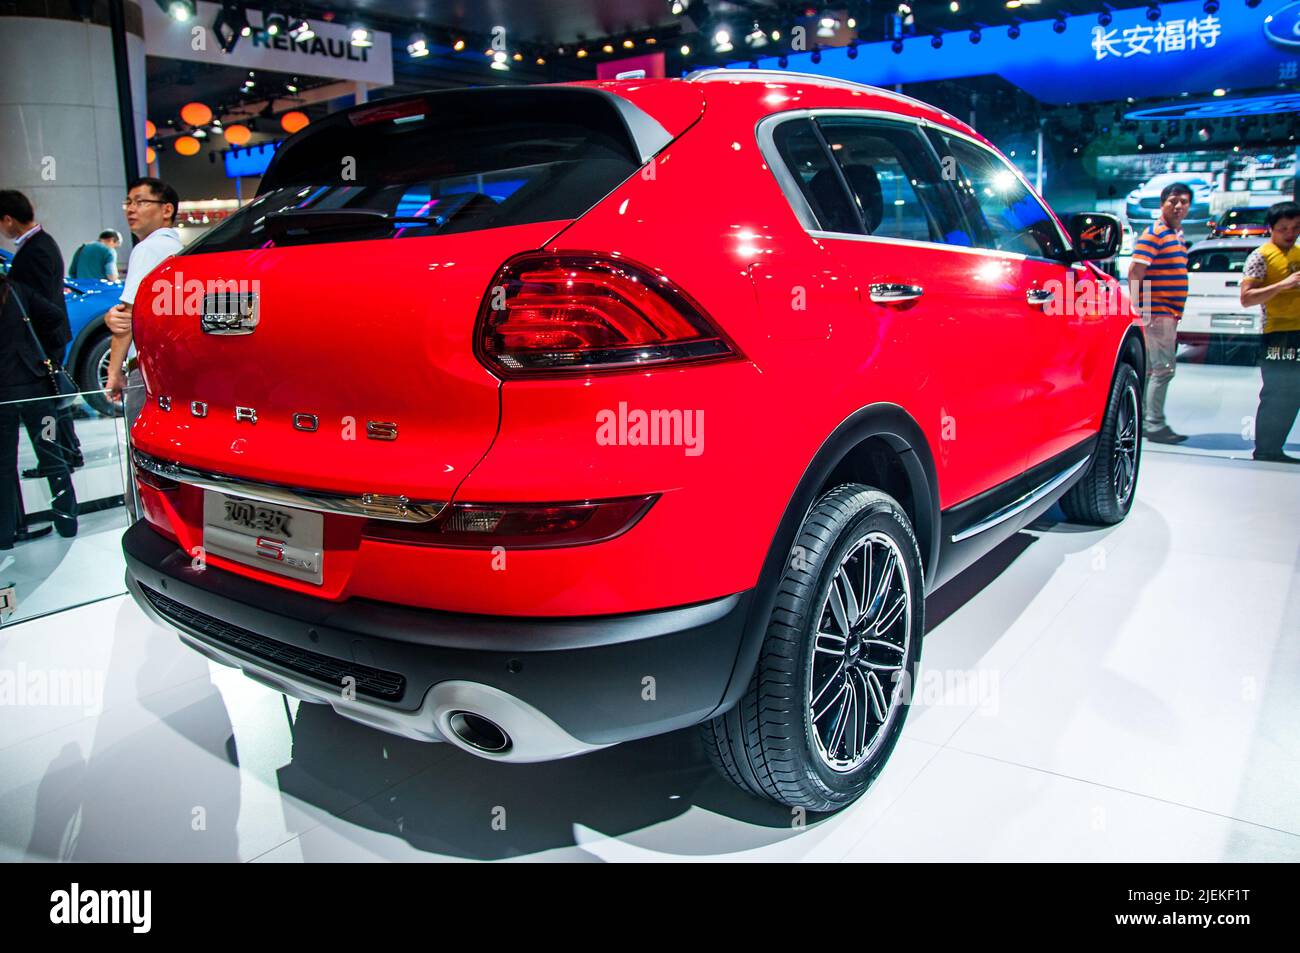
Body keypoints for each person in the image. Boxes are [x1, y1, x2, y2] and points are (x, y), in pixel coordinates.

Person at [0, 191, 78, 545]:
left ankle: (5, 534)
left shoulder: (30, 259)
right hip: (34, 386)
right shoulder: (16, 289)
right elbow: (52, 315)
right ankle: (67, 522)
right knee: (50, 452)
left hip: (5, 394)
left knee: (4, 464)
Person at [104, 177, 182, 413]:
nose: (131, 209)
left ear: (166, 209)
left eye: (140, 202)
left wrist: (114, 372)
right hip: (174, 367)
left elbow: (125, 320)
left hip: (146, 371)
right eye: (128, 202)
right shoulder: (179, 250)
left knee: (139, 443)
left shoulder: (148, 249)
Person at [1128, 182, 1192, 444]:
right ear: (1162, 204)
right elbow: (1135, 271)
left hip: (1165, 311)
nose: (1178, 206)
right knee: (1162, 369)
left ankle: (1146, 420)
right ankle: (1153, 424)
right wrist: (1135, 308)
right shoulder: (1155, 233)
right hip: (1156, 311)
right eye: (1173, 201)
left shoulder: (1174, 235)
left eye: (1184, 202)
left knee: (1155, 369)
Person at [1240, 201, 1300, 464]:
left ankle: (1274, 448)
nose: (1290, 233)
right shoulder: (1261, 256)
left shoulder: (1297, 253)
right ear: (1271, 229)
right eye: (1283, 228)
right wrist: (1283, 285)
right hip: (1277, 332)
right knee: (1277, 391)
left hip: (1297, 331)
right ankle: (1265, 449)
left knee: (1293, 393)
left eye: (1296, 228)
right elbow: (1247, 298)